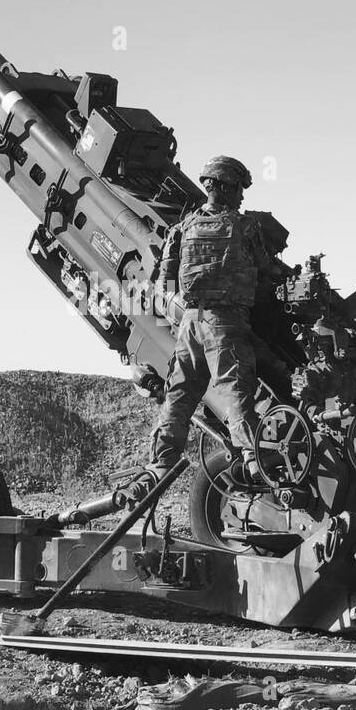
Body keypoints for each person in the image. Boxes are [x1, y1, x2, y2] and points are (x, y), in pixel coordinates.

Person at [119, 156, 276, 506]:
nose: (240, 197)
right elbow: (267, 269)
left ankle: (162, 461)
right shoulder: (244, 226)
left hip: (191, 322)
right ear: (221, 187)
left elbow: (162, 282)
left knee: (179, 395)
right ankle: (254, 462)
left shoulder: (184, 227)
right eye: (237, 188)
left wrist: (189, 306)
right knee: (236, 394)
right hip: (226, 324)